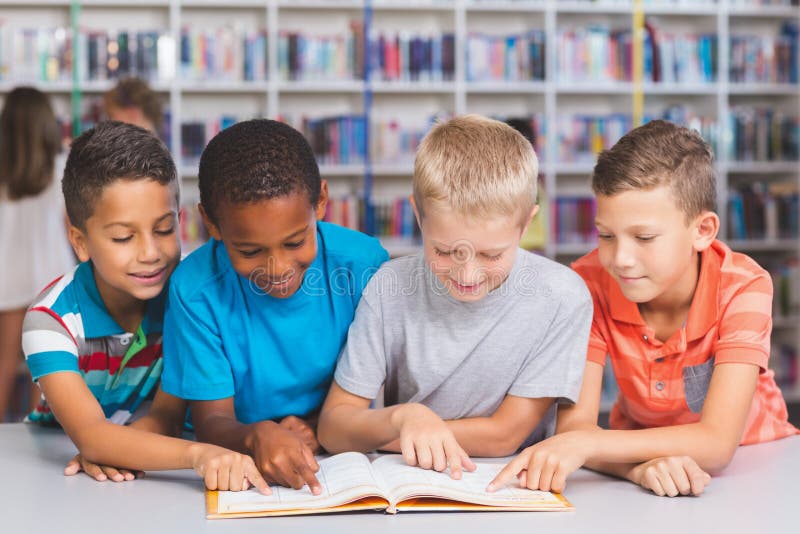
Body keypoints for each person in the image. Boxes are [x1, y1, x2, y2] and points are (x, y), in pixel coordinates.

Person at [490, 120, 799, 497]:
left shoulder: (744, 286)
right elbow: (574, 430)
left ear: (702, 231)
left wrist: (590, 443)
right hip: (644, 465)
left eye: (644, 237)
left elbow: (717, 444)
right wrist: (638, 470)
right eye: (606, 235)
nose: (620, 258)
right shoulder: (588, 284)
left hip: (759, 464)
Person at [317, 114, 593, 478]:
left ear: (527, 223)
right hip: (412, 482)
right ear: (418, 216)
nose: (467, 275)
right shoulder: (388, 288)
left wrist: (391, 434)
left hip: (511, 486)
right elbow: (333, 428)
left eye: (491, 255)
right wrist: (404, 418)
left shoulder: (561, 297)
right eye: (445, 251)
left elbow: (504, 436)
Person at [22, 121, 268, 493]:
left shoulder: (189, 297)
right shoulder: (50, 321)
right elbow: (90, 434)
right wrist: (197, 455)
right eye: (123, 237)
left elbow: (167, 416)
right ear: (80, 241)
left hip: (151, 462)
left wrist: (116, 448)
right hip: (61, 462)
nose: (150, 253)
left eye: (164, 229)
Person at [159, 119, 389, 494]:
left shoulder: (363, 265)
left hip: (335, 451)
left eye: (295, 242)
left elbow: (372, 385)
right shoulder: (194, 289)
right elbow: (211, 420)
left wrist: (318, 427)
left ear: (321, 201)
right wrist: (256, 436)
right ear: (211, 224)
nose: (278, 268)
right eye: (250, 251)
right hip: (228, 455)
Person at [0, 87, 74, 421]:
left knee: (4, 361)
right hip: (51, 276)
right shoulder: (61, 168)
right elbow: (72, 226)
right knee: (42, 364)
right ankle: (35, 430)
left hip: (7, 274)